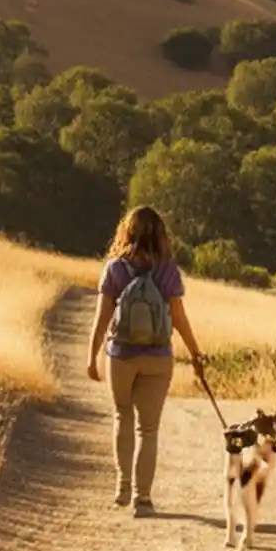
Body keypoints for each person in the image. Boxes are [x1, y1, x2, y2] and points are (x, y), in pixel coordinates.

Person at [86, 206, 205, 517]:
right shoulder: (168, 271)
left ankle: (123, 487)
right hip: (157, 357)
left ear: (127, 230)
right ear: (161, 235)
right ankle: (143, 498)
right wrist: (195, 353)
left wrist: (92, 356)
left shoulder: (114, 268)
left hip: (121, 355)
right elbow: (179, 319)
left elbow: (102, 319)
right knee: (148, 429)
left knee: (122, 416)